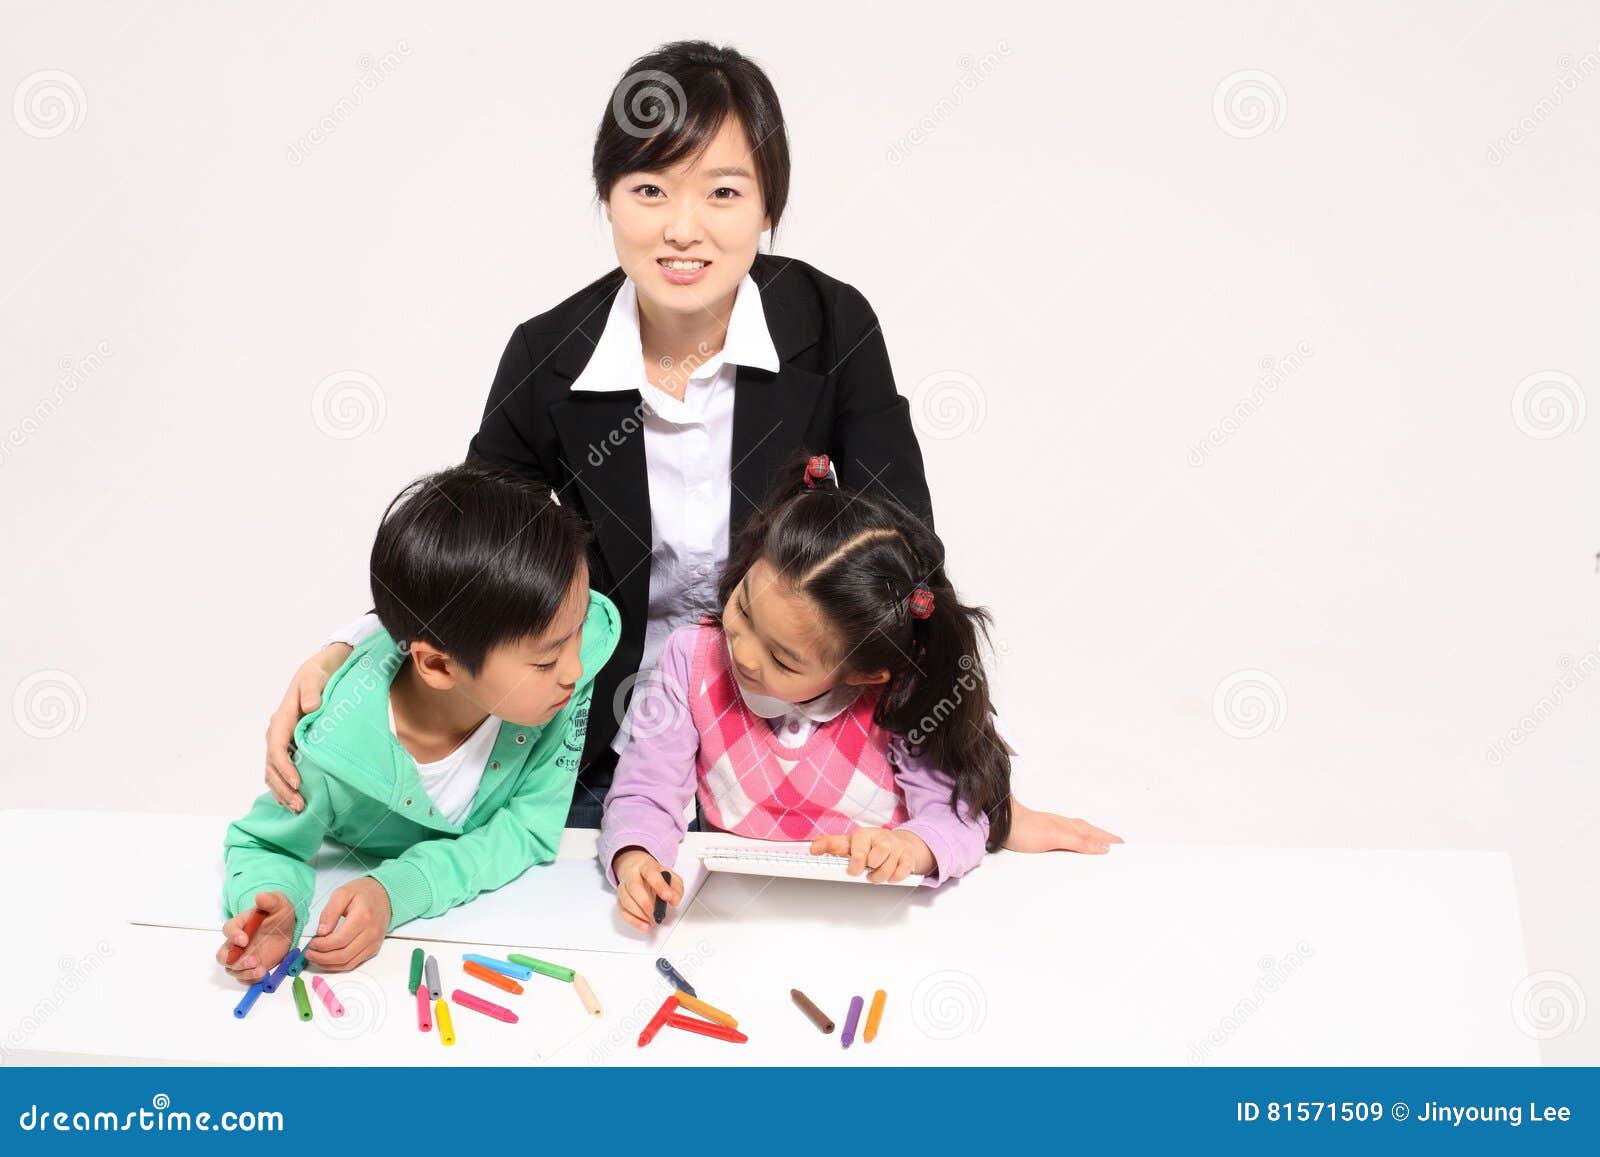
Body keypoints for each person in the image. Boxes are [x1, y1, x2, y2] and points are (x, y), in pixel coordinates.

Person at [601, 455, 1122, 930]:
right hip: (738, 917)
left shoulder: (900, 696)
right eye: (742, 609)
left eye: (783, 659)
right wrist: (636, 857)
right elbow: (645, 789)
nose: (744, 655)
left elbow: (957, 818)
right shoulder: (690, 658)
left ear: (864, 675)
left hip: (871, 918)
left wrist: (909, 847)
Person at [216, 464, 619, 982]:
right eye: (545, 662)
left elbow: (529, 829)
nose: (575, 670)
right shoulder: (332, 749)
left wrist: (396, 891)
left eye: (577, 630)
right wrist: (272, 905)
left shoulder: (558, 678)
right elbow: (266, 843)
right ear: (438, 666)